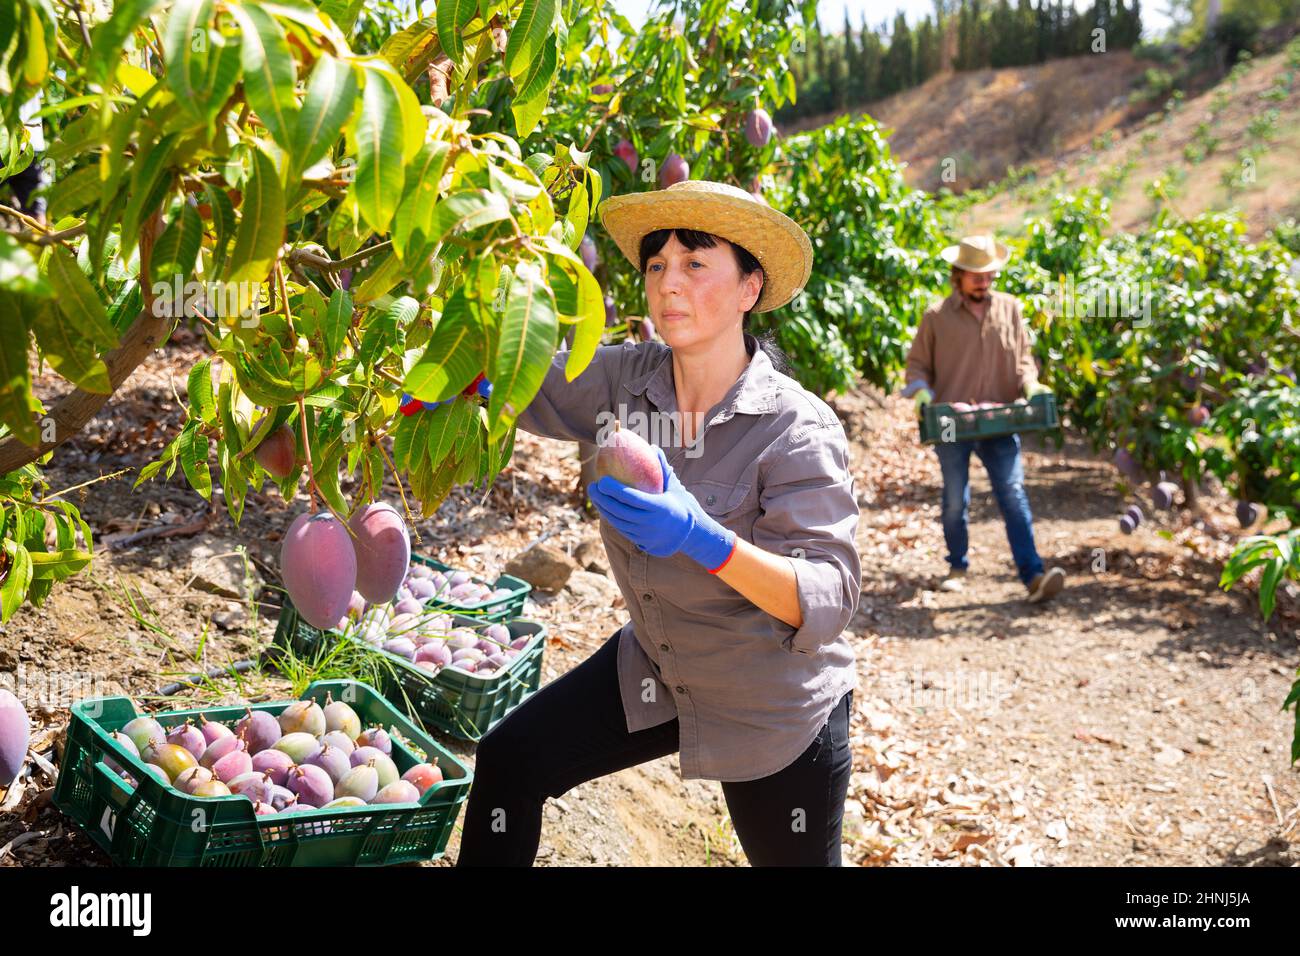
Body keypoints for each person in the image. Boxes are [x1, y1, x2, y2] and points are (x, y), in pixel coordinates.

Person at [453, 180, 861, 866]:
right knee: (509, 763)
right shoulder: (625, 380)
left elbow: (829, 594)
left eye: (696, 264)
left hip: (770, 703)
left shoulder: (796, 429)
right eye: (656, 266)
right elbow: (530, 383)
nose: (670, 284)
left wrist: (705, 540)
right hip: (658, 664)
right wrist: (458, 378)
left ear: (748, 290)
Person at [903, 233, 1066, 604]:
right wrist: (921, 392)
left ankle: (1033, 575)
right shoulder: (937, 318)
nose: (983, 280)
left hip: (999, 419)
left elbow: (1023, 357)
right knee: (955, 500)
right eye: (976, 274)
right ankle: (957, 566)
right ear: (957, 274)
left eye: (989, 274)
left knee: (1013, 493)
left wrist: (1032, 384)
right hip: (952, 422)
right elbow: (917, 367)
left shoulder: (1010, 309)